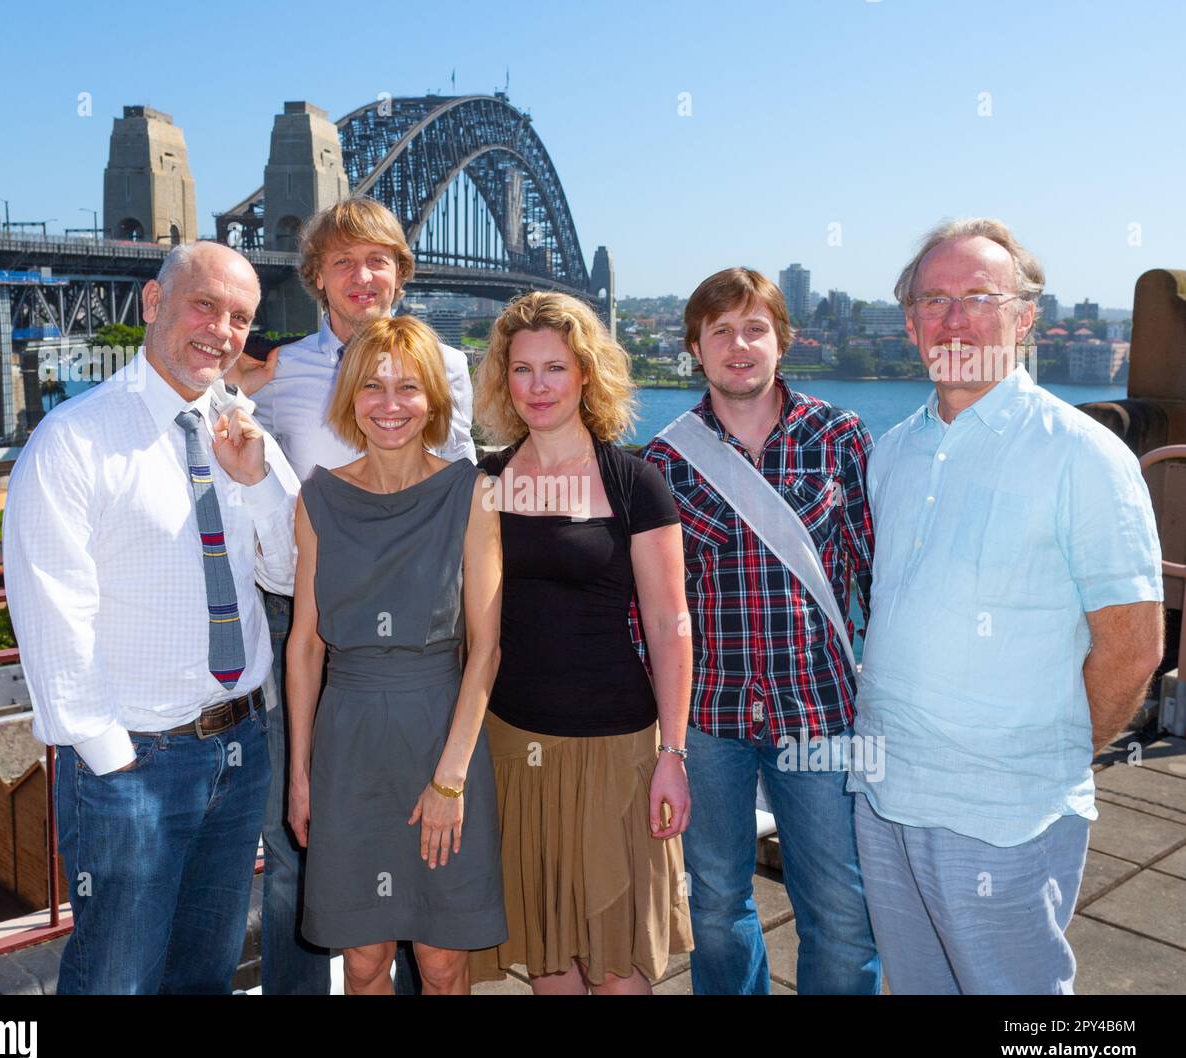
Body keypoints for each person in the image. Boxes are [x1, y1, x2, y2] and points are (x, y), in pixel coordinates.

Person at [847, 219, 1165, 994]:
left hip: (1006, 816)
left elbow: (1133, 646)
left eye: (978, 298)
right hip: (886, 795)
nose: (953, 320)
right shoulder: (891, 452)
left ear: (1023, 318)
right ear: (912, 322)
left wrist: (1050, 758)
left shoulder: (1083, 456)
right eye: (934, 300)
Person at [3, 241, 300, 994]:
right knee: (116, 979)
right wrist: (110, 757)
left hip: (240, 749)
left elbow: (292, 571)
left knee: (205, 973)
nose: (222, 331)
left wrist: (260, 479)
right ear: (153, 303)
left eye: (241, 318)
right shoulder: (75, 439)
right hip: (136, 762)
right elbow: (51, 610)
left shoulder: (242, 432)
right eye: (205, 305)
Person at [224, 196, 476, 994]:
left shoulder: (450, 366)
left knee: (414, 840)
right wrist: (227, 382)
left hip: (416, 646)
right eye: (343, 262)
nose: (362, 277)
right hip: (306, 624)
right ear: (317, 280)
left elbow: (461, 491)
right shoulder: (277, 370)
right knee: (300, 840)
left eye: (378, 260)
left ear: (400, 272)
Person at [643, 267, 881, 995]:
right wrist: (663, 738)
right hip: (709, 719)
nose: (738, 345)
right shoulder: (664, 460)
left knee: (840, 911)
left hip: (819, 711)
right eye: (720, 331)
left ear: (784, 341)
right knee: (715, 906)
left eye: (755, 328)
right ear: (695, 347)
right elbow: (647, 609)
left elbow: (880, 576)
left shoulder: (839, 437)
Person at [469, 291, 694, 994]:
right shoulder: (489, 482)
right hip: (515, 747)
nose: (537, 387)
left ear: (587, 376)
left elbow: (669, 625)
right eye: (522, 370)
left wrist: (673, 754)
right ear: (504, 381)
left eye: (555, 369)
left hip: (616, 751)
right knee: (550, 966)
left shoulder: (635, 483)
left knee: (618, 968)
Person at [286, 314, 505, 995]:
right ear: (350, 397)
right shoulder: (317, 497)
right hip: (347, 749)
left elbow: (487, 647)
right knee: (362, 961)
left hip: (441, 739)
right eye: (373, 386)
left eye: (408, 387)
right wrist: (299, 774)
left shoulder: (472, 492)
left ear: (434, 400)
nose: (390, 405)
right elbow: (304, 646)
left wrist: (450, 780)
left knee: (442, 964)